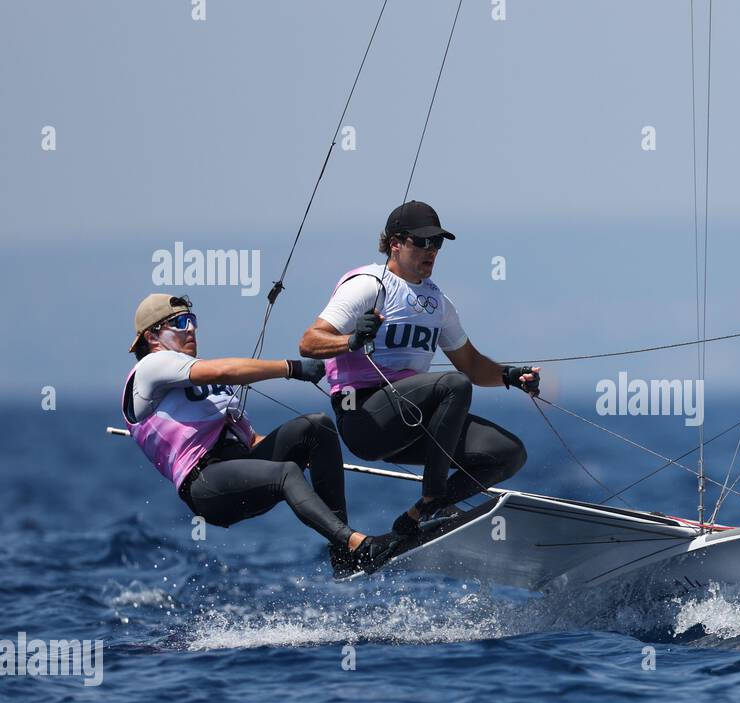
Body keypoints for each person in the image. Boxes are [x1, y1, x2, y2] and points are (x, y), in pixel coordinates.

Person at [299, 201, 539, 536]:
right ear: (395, 243)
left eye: (436, 243)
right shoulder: (368, 285)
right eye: (422, 241)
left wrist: (509, 376)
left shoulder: (438, 304)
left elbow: (471, 365)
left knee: (509, 454)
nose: (431, 250)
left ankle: (417, 517)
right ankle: (432, 498)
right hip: (364, 418)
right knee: (453, 385)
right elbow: (309, 342)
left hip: (413, 420)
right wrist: (351, 340)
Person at [122, 293, 402, 577]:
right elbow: (221, 370)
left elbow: (252, 441)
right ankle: (356, 544)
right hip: (206, 487)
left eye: (192, 320)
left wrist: (312, 456)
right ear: (152, 337)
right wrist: (291, 368)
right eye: (180, 323)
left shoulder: (203, 383)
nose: (191, 329)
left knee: (317, 426)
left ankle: (343, 554)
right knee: (287, 472)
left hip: (242, 469)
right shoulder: (149, 368)